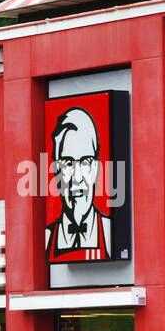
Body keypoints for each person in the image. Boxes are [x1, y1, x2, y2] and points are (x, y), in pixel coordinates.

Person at [46, 106, 113, 262]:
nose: (77, 178)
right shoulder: (47, 239)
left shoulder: (111, 232)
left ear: (96, 168)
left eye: (85, 161)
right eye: (68, 163)